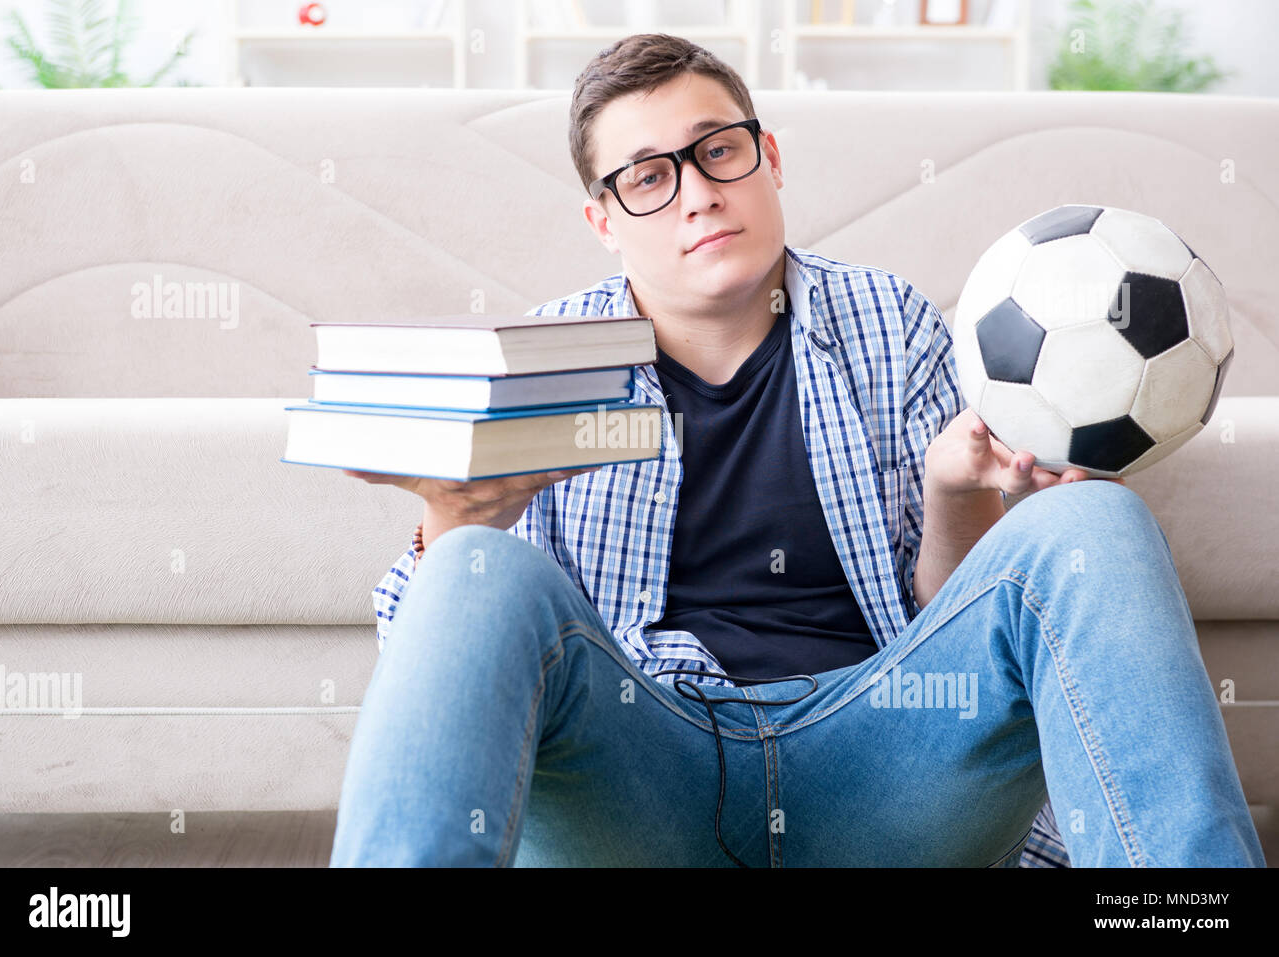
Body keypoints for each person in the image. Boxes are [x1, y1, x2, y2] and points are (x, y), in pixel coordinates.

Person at [329, 34, 1265, 868]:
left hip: (880, 761)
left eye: (717, 152)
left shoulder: (891, 325)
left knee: (1091, 518)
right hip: (643, 771)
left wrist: (954, 490)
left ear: (766, 158)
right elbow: (460, 667)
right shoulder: (545, 363)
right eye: (649, 176)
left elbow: (954, 627)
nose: (696, 193)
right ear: (604, 220)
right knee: (473, 567)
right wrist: (450, 527)